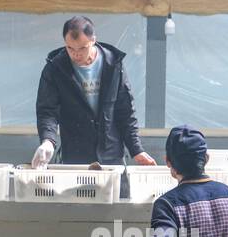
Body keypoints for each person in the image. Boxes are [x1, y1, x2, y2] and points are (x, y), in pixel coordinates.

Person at [33, 16, 155, 168]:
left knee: (116, 191)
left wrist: (137, 149)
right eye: (70, 48)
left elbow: (125, 111)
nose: (76, 54)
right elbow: (47, 111)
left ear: (93, 40)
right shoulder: (55, 69)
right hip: (75, 155)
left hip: (111, 154)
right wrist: (48, 141)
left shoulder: (113, 64)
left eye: (82, 48)